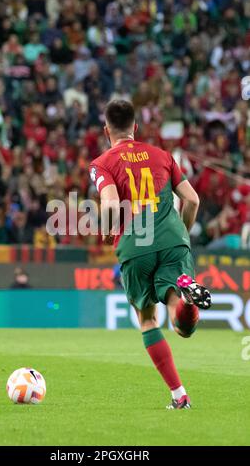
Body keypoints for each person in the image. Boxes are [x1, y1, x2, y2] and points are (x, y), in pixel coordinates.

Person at [89, 100, 211, 409]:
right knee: (181, 322)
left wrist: (106, 227)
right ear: (135, 128)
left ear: (106, 130)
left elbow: (113, 205)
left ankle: (179, 395)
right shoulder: (163, 156)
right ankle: (183, 299)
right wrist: (182, 233)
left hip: (135, 244)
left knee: (147, 319)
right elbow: (192, 200)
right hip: (172, 239)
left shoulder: (103, 163)